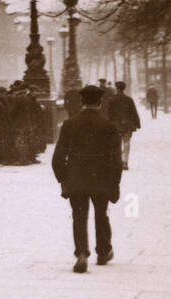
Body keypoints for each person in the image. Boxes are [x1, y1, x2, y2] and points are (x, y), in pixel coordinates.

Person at [52, 84, 123, 273]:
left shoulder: (69, 124)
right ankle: (103, 252)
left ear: (82, 101)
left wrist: (63, 178)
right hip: (101, 179)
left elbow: (58, 157)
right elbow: (116, 161)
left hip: (76, 179)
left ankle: (82, 253)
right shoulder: (110, 127)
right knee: (101, 214)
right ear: (100, 102)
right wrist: (114, 183)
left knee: (79, 217)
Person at [103, 80, 141, 170]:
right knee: (127, 143)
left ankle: (118, 161)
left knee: (117, 143)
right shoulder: (129, 100)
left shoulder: (112, 100)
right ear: (124, 89)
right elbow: (134, 112)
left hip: (116, 126)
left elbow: (108, 113)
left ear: (117, 89)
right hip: (127, 125)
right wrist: (137, 123)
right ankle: (125, 161)